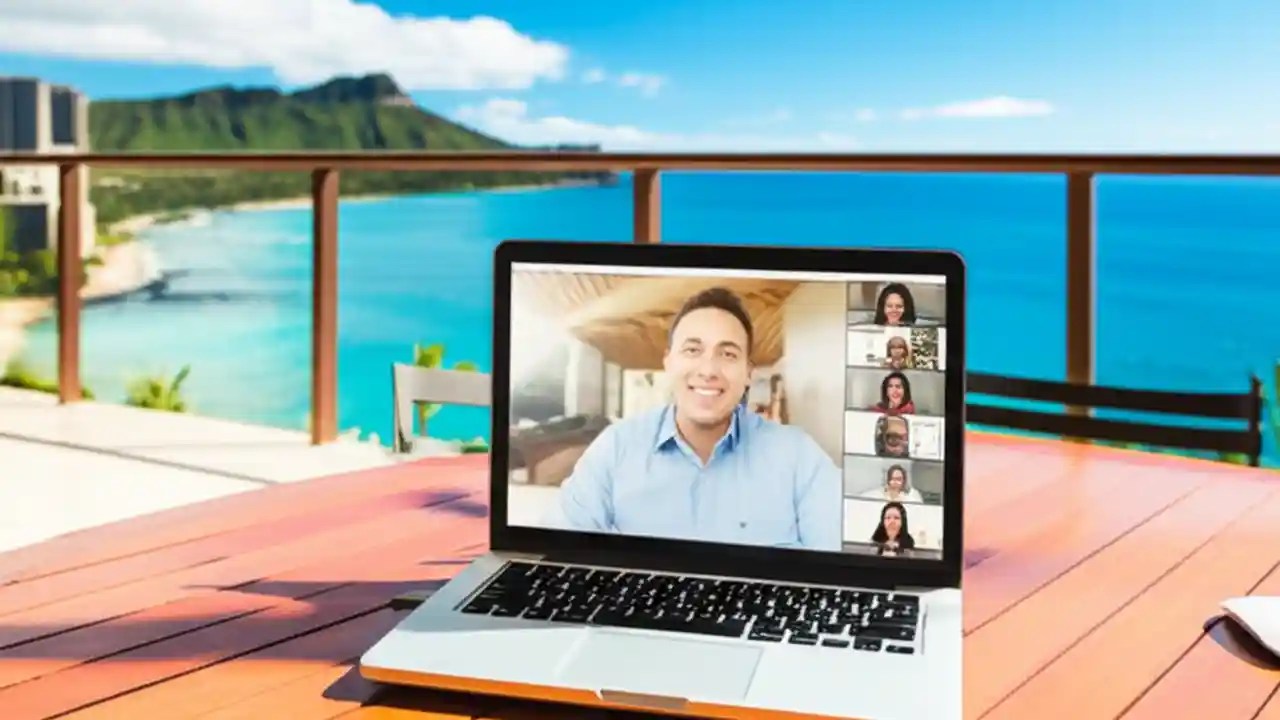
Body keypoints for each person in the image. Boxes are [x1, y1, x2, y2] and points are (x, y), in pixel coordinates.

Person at [550, 287, 842, 551]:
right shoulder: (616, 448)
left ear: (748, 372)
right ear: (668, 361)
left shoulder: (799, 457)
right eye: (692, 350)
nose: (708, 370)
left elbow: (838, 569)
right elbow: (560, 550)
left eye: (727, 354)